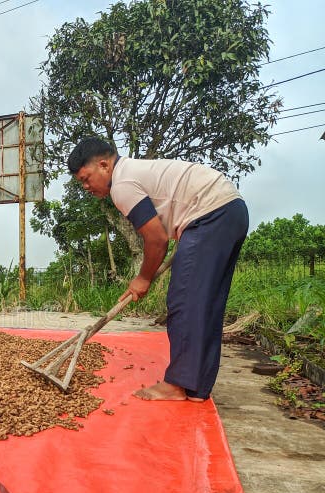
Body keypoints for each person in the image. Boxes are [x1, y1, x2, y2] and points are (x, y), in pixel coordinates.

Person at [67, 137, 249, 401]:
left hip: (210, 214)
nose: (86, 187)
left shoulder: (123, 184)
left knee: (184, 301)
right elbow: (162, 233)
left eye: (86, 178)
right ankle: (196, 389)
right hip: (229, 210)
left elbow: (156, 238)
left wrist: (142, 278)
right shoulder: (132, 172)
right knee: (205, 305)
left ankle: (177, 385)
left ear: (105, 165)